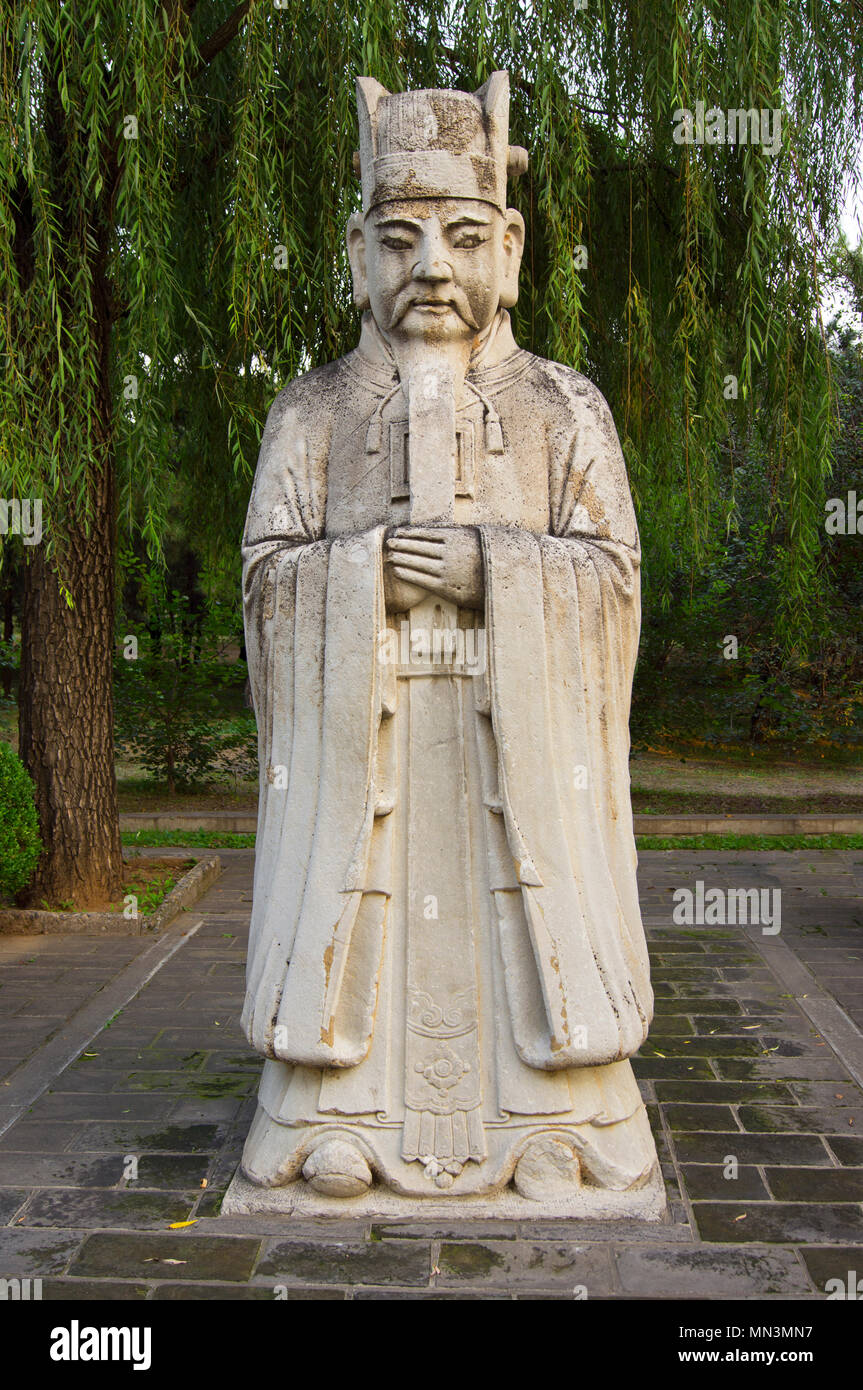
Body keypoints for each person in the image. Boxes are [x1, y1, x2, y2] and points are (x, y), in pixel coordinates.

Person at [239, 71, 659, 1207]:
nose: (430, 267)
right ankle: (336, 1111)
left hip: (510, 746)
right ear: (354, 251)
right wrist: (353, 577)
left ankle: (556, 1118)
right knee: (356, 908)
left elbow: (614, 580)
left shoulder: (562, 408)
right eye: (398, 239)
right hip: (363, 745)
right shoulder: (310, 414)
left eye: (462, 237)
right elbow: (266, 580)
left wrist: (498, 573)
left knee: (524, 908)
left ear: (508, 248)